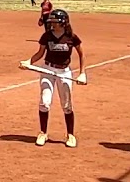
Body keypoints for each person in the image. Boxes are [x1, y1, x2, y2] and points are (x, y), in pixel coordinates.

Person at [20, 9, 86, 148]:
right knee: (44, 102)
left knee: (66, 104)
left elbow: (81, 54)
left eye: (54, 22)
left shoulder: (72, 37)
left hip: (64, 72)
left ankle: (70, 135)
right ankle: (43, 133)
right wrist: (28, 62)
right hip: (47, 69)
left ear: (62, 22)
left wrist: (82, 73)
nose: (51, 24)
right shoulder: (47, 36)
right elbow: (40, 53)